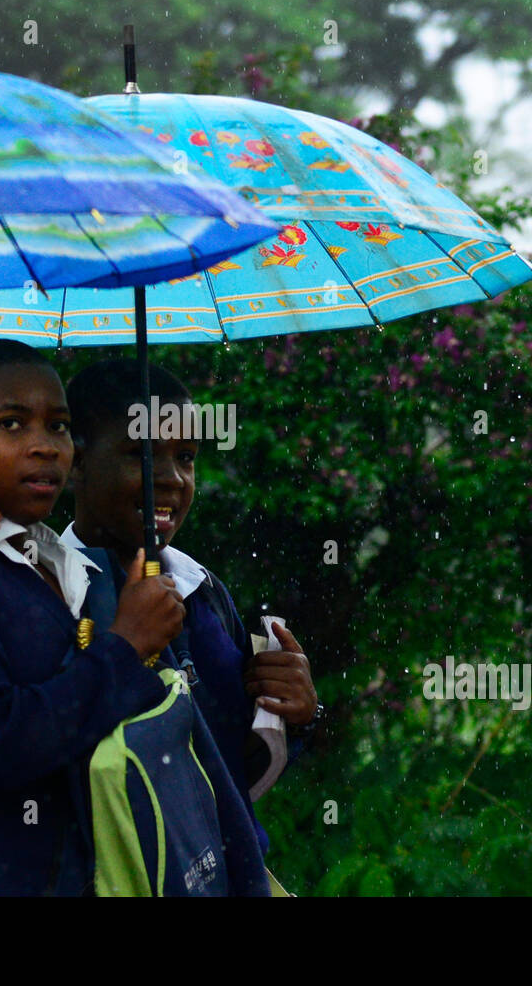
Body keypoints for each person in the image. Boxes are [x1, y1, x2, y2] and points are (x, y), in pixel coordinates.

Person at [0, 340, 268, 895]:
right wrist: (126, 648)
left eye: (57, 427)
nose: (44, 447)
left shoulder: (77, 569)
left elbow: (181, 757)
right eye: (11, 425)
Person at [62, 359, 320, 854]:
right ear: (76, 463)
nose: (172, 478)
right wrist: (125, 648)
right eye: (141, 454)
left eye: (186, 456)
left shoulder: (203, 592)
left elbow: (226, 764)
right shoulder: (49, 596)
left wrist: (296, 710)